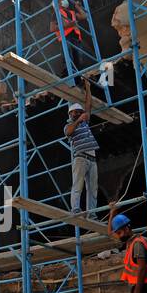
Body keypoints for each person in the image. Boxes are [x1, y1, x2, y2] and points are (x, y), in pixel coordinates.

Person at [64, 88, 99, 217]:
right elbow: (68, 132)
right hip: (80, 158)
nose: (78, 114)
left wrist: (88, 88)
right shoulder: (69, 125)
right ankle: (75, 209)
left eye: (80, 112)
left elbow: (88, 104)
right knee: (78, 185)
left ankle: (92, 214)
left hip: (92, 159)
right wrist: (79, 120)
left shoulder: (85, 123)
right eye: (76, 112)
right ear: (70, 114)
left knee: (92, 189)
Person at [54, 0, 86, 77]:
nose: (65, 0)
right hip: (66, 38)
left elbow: (84, 16)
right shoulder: (56, 13)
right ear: (57, 3)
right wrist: (67, 26)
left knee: (79, 60)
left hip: (76, 38)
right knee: (69, 60)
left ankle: (80, 78)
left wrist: (77, 7)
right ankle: (68, 77)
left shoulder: (72, 12)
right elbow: (52, 28)